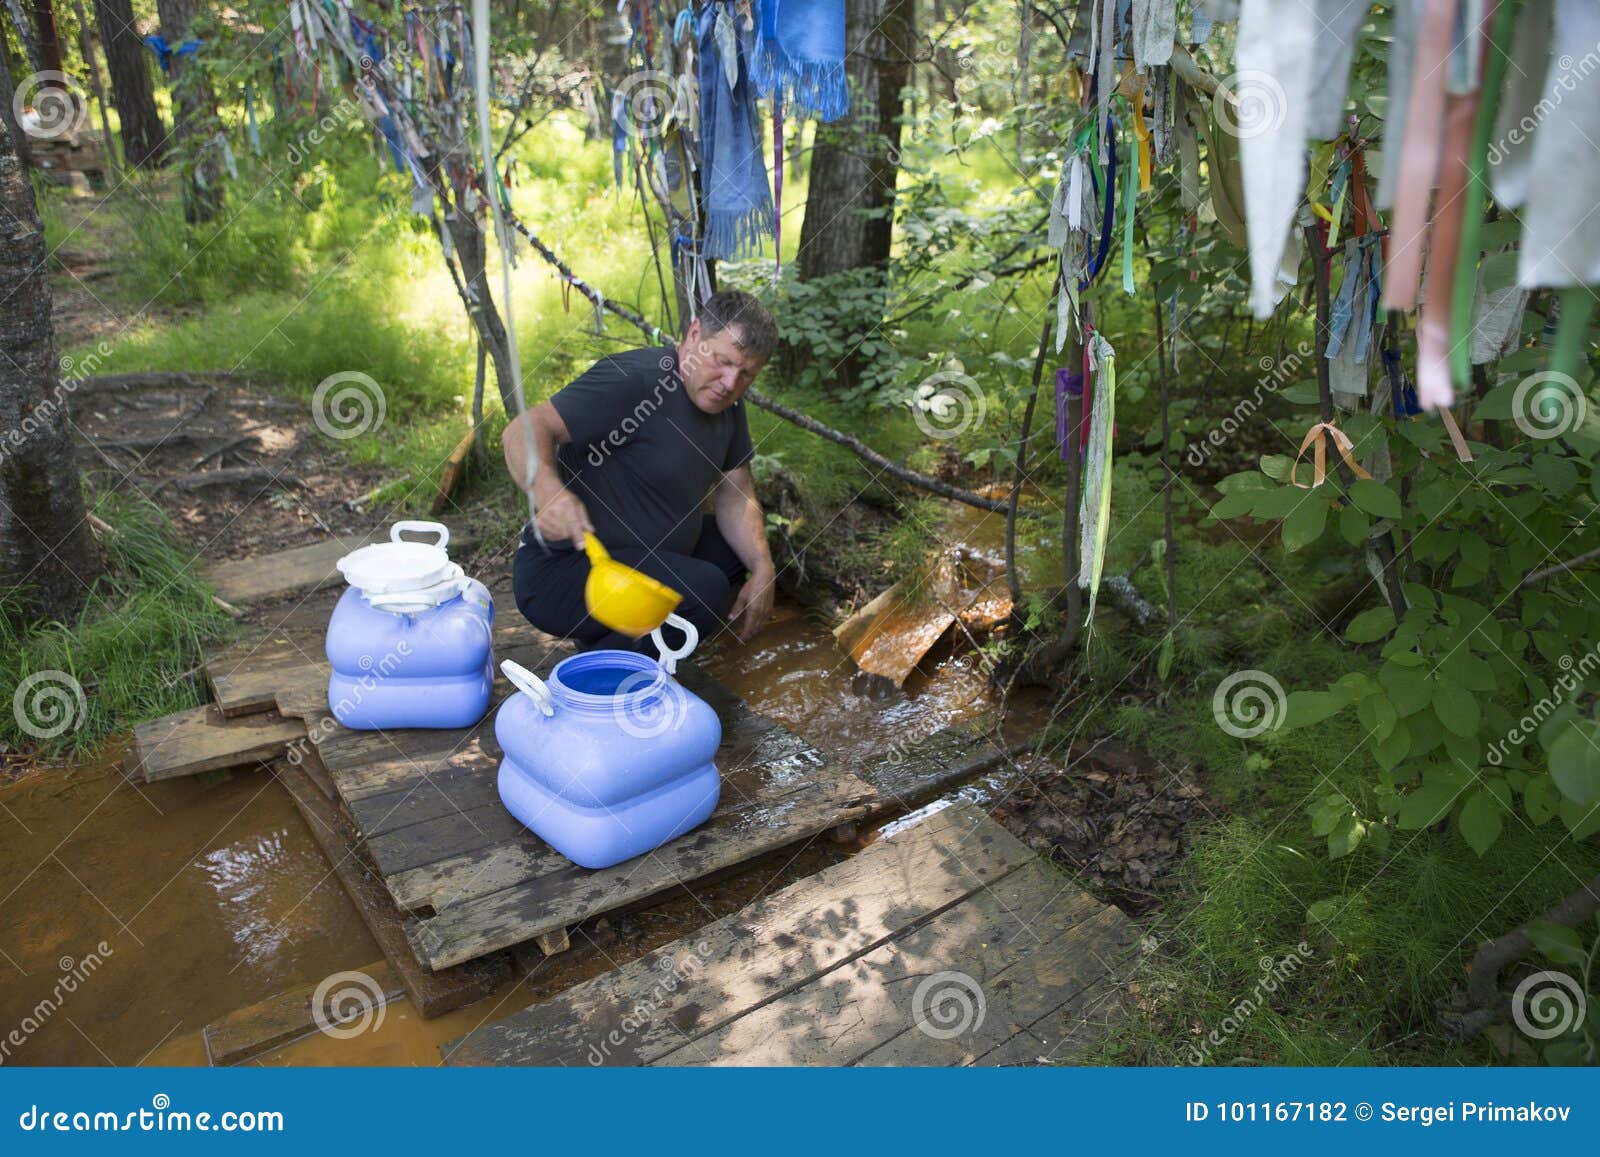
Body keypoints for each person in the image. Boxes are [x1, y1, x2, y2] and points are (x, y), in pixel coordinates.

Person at [502, 290, 779, 653]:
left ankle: (612, 640)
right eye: (723, 361)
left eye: (746, 374)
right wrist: (547, 492)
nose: (730, 383)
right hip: (567, 570)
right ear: (695, 334)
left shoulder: (728, 404)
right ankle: (611, 672)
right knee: (705, 591)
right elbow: (523, 428)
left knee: (736, 555)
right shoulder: (635, 378)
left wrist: (763, 567)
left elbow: (735, 492)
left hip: (642, 559)